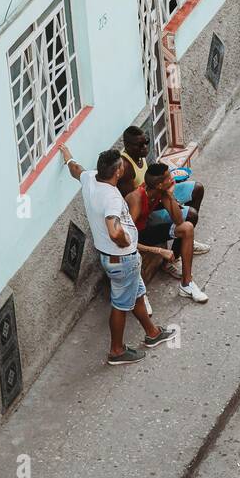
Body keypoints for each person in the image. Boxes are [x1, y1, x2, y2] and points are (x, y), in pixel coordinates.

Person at [59, 144, 176, 366]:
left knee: (137, 292)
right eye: (121, 166)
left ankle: (152, 333)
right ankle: (116, 350)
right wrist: (125, 241)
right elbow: (114, 230)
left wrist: (67, 157)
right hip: (122, 258)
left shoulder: (90, 178)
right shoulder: (111, 198)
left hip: (113, 258)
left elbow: (75, 169)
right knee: (121, 305)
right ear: (117, 172)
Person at [117, 125, 209, 250]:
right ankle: (177, 253)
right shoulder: (126, 167)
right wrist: (167, 200)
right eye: (140, 145)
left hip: (158, 192)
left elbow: (152, 179)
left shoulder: (140, 156)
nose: (145, 147)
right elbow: (133, 204)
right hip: (149, 208)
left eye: (146, 142)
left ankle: (186, 240)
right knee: (191, 215)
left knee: (197, 188)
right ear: (127, 146)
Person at [127, 162, 207, 304]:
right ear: (158, 185)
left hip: (147, 231)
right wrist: (158, 251)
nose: (172, 179)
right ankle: (140, 297)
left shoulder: (161, 192)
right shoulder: (136, 198)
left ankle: (186, 284)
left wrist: (169, 196)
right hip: (136, 238)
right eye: (169, 177)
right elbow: (127, 238)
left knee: (187, 228)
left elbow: (178, 222)